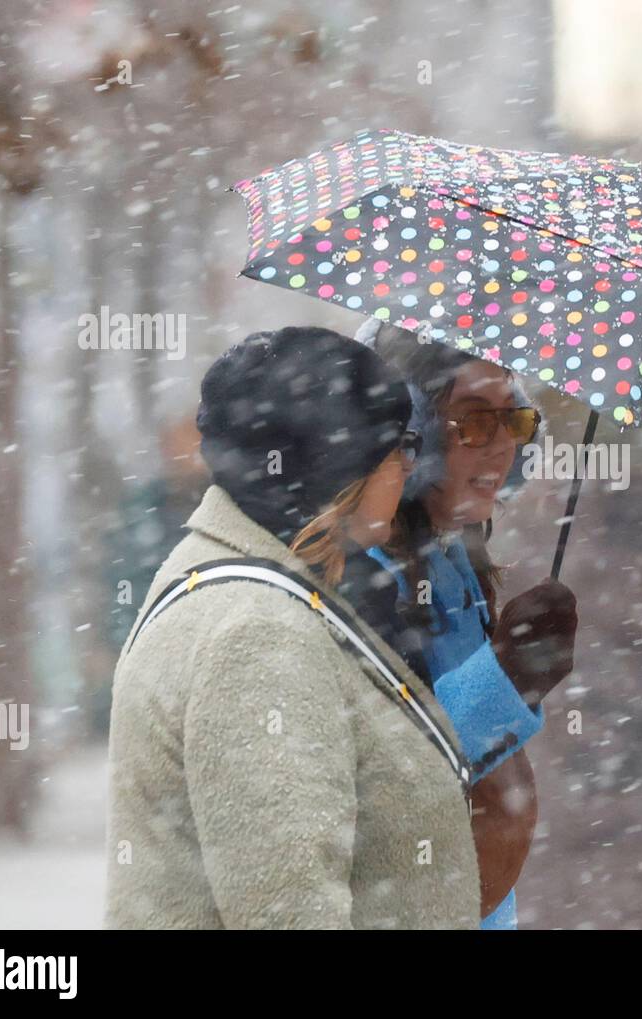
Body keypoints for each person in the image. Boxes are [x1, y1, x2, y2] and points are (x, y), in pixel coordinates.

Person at [105, 325, 479, 929]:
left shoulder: (230, 580)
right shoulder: (259, 635)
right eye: (401, 446)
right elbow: (289, 911)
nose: (411, 467)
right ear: (341, 469)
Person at [362, 318, 579, 930]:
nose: (501, 445)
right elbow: (388, 777)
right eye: (474, 421)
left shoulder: (454, 557)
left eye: (513, 419)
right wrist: (506, 680)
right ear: (414, 434)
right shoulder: (365, 577)